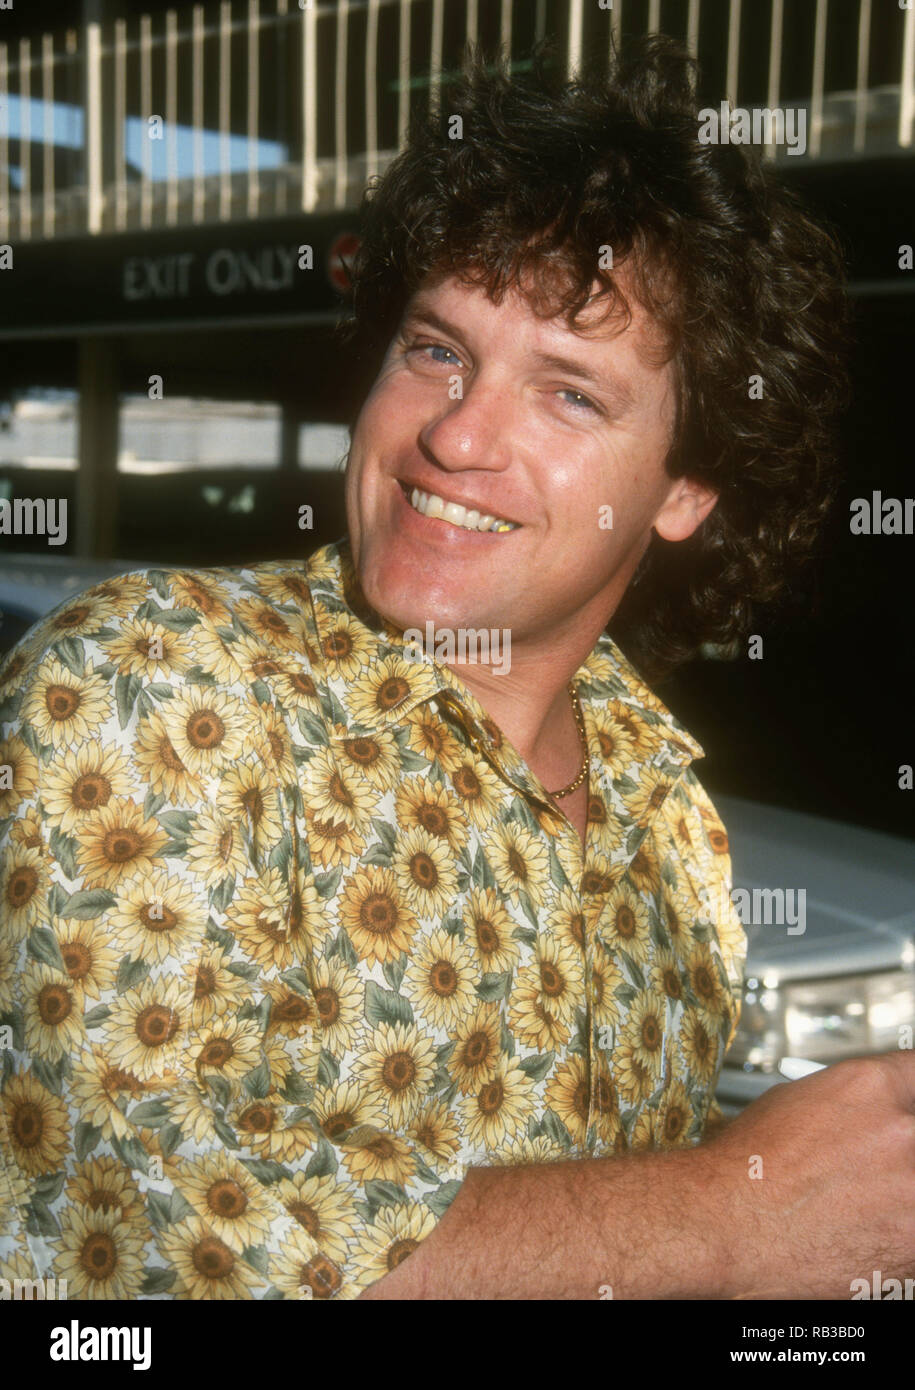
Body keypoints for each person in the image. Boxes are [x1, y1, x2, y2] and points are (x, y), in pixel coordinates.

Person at [1, 37, 911, 1302]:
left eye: (571, 397)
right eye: (438, 348)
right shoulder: (150, 684)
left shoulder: (677, 829)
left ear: (689, 489)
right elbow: (100, 1244)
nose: (456, 433)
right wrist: (728, 1213)